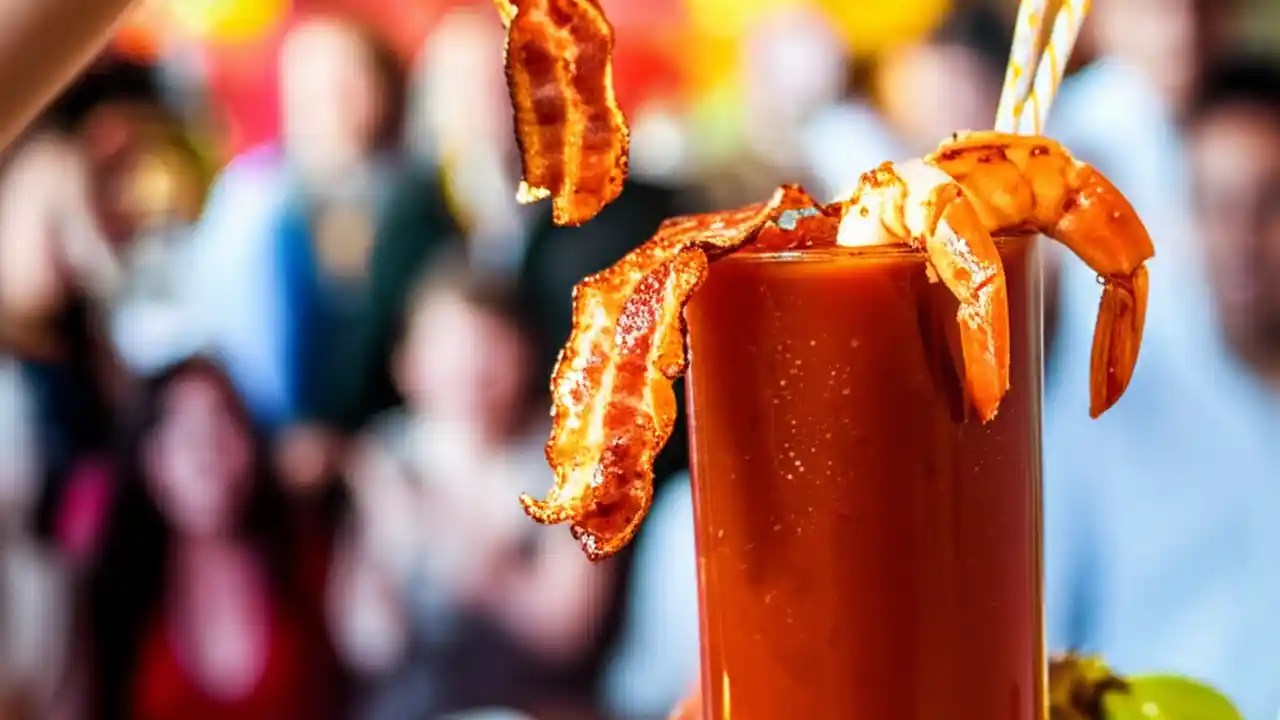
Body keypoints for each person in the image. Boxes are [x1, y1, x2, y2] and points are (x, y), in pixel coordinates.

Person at [1044, 58, 1280, 720]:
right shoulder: (1113, 406)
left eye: (1271, 202)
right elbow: (1039, 631)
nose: (1241, 239)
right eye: (1216, 204)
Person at [329, 266, 624, 719]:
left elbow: (565, 632)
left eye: (488, 345)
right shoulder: (386, 457)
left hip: (538, 703)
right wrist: (386, 549)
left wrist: (452, 546)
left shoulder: (573, 462)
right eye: (447, 348)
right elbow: (367, 644)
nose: (469, 368)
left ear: (526, 353)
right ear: (408, 364)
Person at [189, 16, 459, 488]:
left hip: (394, 454)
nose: (333, 97)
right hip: (256, 452)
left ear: (382, 87)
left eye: (349, 77)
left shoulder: (419, 199)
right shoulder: (247, 197)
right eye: (313, 80)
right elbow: (214, 323)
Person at [88, 358, 339, 720]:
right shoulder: (113, 593)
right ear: (149, 460)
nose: (208, 451)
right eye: (184, 432)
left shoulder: (308, 554)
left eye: (223, 423)